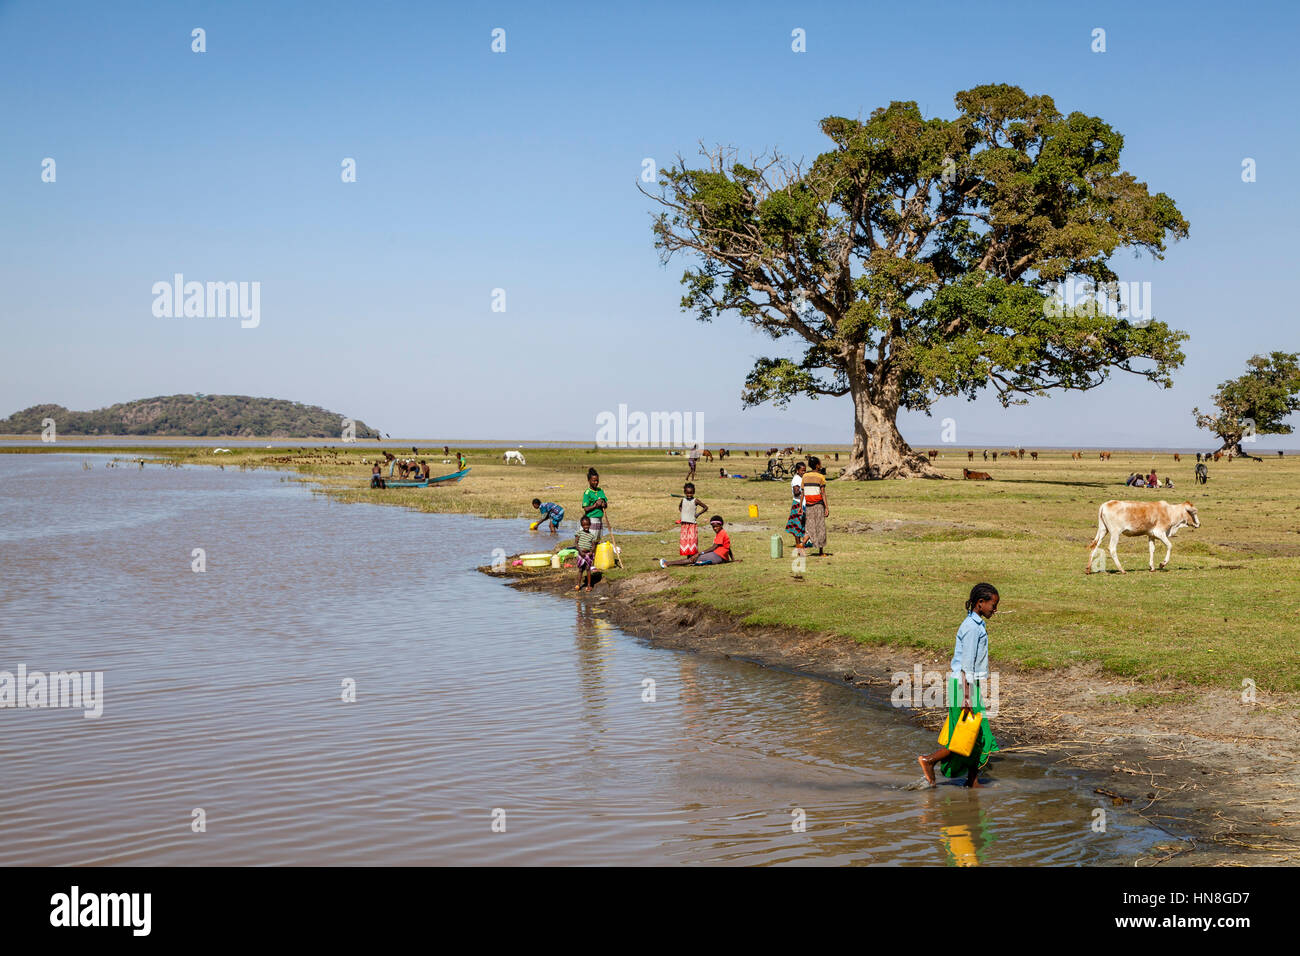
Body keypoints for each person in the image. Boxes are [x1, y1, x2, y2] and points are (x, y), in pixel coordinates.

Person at [918, 583, 1001, 788]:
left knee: (976, 735)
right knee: (966, 734)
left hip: (968, 685)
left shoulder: (976, 624)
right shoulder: (972, 628)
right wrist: (966, 696)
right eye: (993, 604)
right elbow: (966, 665)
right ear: (980, 603)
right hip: (964, 687)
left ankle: (972, 782)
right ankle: (929, 760)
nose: (995, 609)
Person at [660, 515, 730, 566]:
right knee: (694, 557)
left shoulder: (721, 533)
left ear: (721, 525)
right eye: (713, 526)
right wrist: (731, 560)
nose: (715, 528)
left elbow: (713, 547)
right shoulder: (722, 532)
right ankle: (703, 561)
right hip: (719, 557)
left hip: (717, 556)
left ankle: (667, 563)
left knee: (692, 559)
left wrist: (699, 553)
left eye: (717, 526)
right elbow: (728, 548)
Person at [800, 457, 829, 555]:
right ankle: (821, 552)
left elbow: (802, 493)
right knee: (820, 527)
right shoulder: (821, 477)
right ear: (817, 465)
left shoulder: (805, 476)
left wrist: (800, 506)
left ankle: (802, 544)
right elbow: (823, 493)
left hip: (808, 504)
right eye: (820, 463)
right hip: (818, 504)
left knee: (809, 527)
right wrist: (827, 507)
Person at [676, 482, 707, 557]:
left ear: (694, 492)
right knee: (685, 541)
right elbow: (680, 506)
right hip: (684, 525)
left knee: (692, 541)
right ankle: (688, 557)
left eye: (691, 493)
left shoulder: (695, 500)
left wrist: (698, 514)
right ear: (685, 492)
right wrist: (683, 513)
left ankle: (693, 557)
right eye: (687, 493)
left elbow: (705, 507)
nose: (689, 495)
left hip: (692, 524)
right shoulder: (683, 500)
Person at [572, 515, 598, 592]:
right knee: (580, 569)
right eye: (584, 525)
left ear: (590, 525)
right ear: (581, 525)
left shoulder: (592, 535)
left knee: (588, 569)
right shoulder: (579, 533)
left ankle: (589, 585)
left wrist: (591, 552)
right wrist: (580, 551)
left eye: (587, 525)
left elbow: (593, 546)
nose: (586, 526)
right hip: (581, 554)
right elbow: (576, 544)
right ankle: (578, 585)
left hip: (588, 554)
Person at [581, 467, 609, 540]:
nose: (596, 482)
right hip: (591, 520)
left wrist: (604, 504)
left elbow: (605, 504)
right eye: (594, 481)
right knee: (591, 540)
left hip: (599, 519)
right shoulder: (587, 493)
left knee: (597, 539)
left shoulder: (600, 491)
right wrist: (595, 505)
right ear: (589, 481)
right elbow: (586, 508)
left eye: (597, 480)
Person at [786, 461, 806, 547]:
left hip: (803, 503)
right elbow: (796, 493)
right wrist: (804, 490)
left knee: (802, 523)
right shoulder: (796, 479)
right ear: (797, 470)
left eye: (805, 470)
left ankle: (802, 542)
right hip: (797, 503)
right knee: (797, 524)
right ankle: (798, 543)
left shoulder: (802, 478)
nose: (804, 472)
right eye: (802, 470)